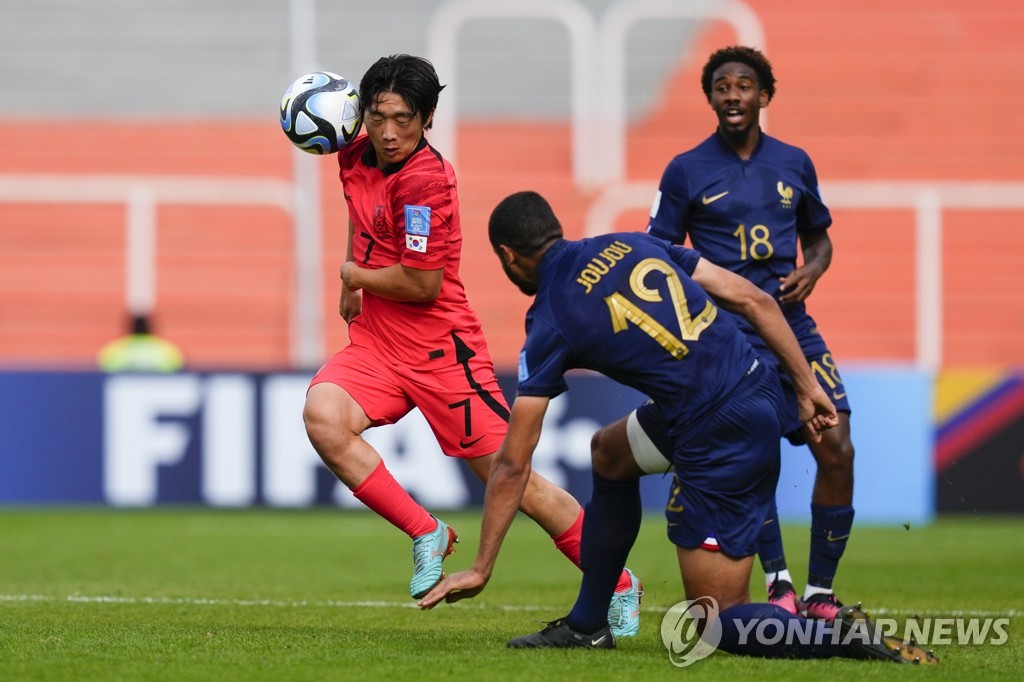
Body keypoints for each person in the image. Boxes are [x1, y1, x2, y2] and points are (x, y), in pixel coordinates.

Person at [417, 192, 936, 666]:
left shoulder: (551, 316)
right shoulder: (631, 243)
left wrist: (482, 566)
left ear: (509, 256)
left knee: (712, 620)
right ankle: (588, 624)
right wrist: (804, 385)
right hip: (750, 388)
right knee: (609, 453)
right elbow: (755, 300)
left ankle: (841, 638)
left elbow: (512, 460)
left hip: (718, 430)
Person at [300, 55, 642, 637]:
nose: (387, 132)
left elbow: (421, 282)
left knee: (517, 483)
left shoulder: (426, 181)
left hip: (442, 353)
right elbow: (358, 216)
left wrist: (354, 276)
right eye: (378, 116)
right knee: (323, 417)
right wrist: (354, 276)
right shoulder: (353, 154)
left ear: (426, 118)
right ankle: (426, 531)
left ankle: (618, 583)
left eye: (402, 119)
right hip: (380, 345)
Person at [626, 45, 856, 621]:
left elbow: (820, 237)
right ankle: (778, 582)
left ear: (764, 95)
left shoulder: (795, 162)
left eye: (744, 85)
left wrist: (812, 268)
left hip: (791, 327)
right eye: (722, 86)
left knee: (838, 447)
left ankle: (821, 594)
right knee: (751, 455)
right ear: (710, 97)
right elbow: (661, 248)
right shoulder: (686, 169)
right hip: (726, 338)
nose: (733, 95)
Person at [97, 313, 184, 372]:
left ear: (129, 328)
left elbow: (103, 369)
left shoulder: (115, 349)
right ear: (151, 328)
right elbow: (178, 368)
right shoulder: (166, 350)